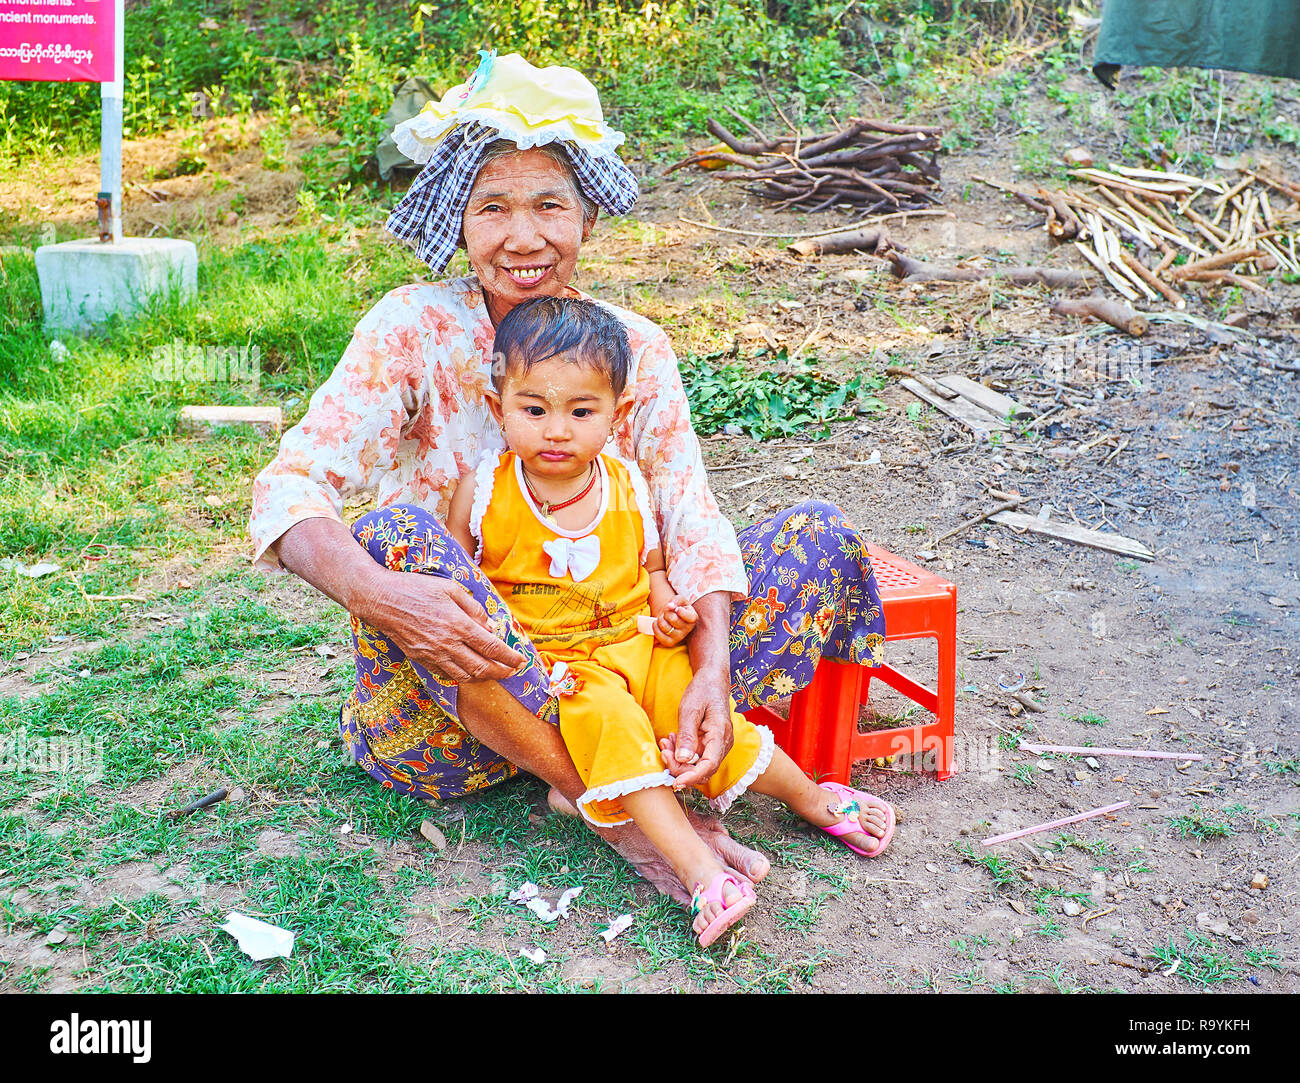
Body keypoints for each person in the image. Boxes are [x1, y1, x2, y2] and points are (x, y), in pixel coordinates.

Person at [248, 51, 889, 905]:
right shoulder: (413, 328)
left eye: (550, 203)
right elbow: (289, 487)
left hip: (625, 668)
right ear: (458, 220)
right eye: (493, 207)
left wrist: (708, 672)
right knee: (392, 541)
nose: (524, 236)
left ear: (586, 214)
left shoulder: (635, 345)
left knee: (815, 536)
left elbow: (690, 518)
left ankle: (641, 758)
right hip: (455, 715)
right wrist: (384, 595)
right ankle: (619, 809)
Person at [446, 296, 895, 946]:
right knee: (621, 735)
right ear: (499, 408)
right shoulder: (484, 490)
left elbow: (652, 567)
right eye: (533, 409)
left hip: (644, 644)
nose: (556, 430)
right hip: (570, 673)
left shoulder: (626, 481)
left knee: (699, 727)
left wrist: (668, 605)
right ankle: (703, 872)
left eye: (580, 411)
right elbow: (462, 584)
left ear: (615, 413)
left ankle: (808, 795)